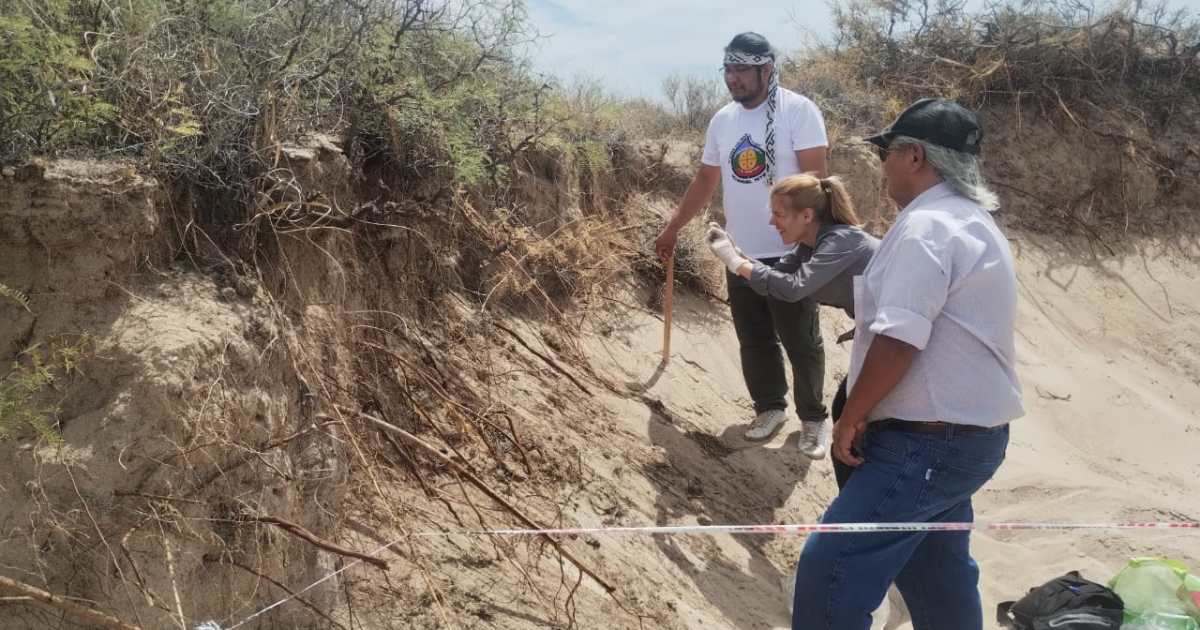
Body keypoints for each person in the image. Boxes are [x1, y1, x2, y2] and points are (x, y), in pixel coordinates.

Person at [790, 98, 1024, 630]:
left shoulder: (928, 228)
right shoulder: (971, 221)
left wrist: (853, 414)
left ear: (914, 156)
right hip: (962, 439)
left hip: (926, 443)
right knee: (937, 574)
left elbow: (900, 338)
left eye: (887, 154)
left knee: (830, 572)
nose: (883, 165)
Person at [655, 32, 831, 456]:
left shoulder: (799, 112)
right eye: (728, 70)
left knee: (801, 340)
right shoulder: (723, 121)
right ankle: (770, 407)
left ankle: (813, 420)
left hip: (792, 252)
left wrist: (816, 241)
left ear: (766, 69)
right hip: (740, 251)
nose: (732, 79)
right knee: (753, 337)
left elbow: (818, 182)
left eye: (741, 71)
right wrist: (674, 226)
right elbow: (705, 180)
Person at [705, 173, 879, 459]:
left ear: (807, 215)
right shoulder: (809, 246)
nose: (772, 222)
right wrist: (737, 255)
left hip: (906, 337)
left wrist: (735, 262)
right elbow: (778, 276)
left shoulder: (842, 241)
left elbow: (794, 288)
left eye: (779, 214)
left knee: (860, 419)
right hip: (878, 333)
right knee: (849, 411)